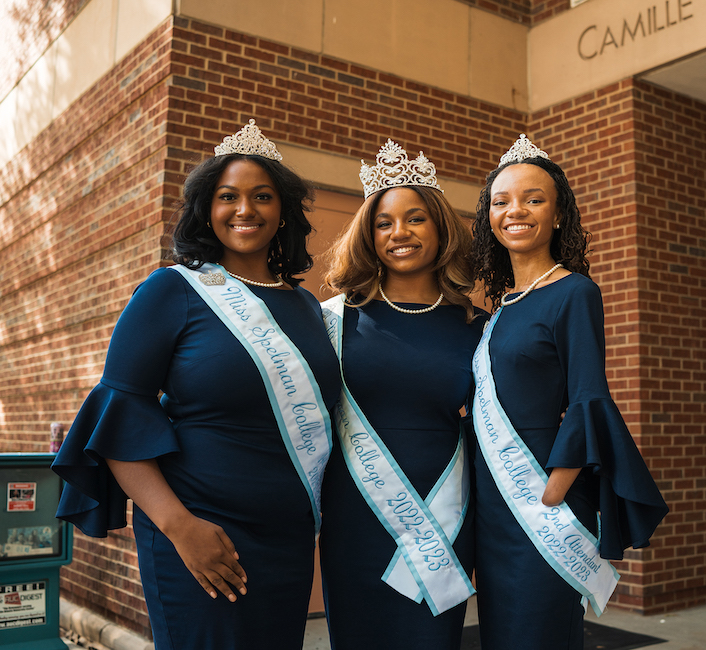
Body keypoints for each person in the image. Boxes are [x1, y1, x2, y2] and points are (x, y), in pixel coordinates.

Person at [52, 120, 341, 650]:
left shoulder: (304, 306)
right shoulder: (172, 291)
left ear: (284, 212)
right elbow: (118, 416)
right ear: (207, 208)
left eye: (262, 196)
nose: (245, 210)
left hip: (288, 540)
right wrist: (179, 527)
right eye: (228, 196)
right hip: (200, 532)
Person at [469, 135, 669, 649]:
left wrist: (552, 492)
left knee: (539, 632)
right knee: (502, 632)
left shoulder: (575, 292)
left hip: (542, 492)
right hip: (493, 502)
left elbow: (588, 395)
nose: (516, 210)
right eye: (502, 201)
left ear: (558, 215)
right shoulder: (502, 307)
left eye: (533, 199)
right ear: (489, 217)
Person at [318, 140, 487, 649]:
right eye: (384, 223)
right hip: (355, 514)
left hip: (443, 514)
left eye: (415, 219)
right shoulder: (333, 319)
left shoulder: (476, 326)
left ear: (440, 228)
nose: (400, 234)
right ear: (369, 236)